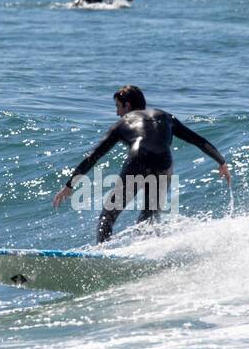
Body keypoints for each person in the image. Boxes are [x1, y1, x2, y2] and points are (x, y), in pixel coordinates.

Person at [52, 86, 230, 243]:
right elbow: (198, 140)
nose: (117, 113)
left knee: (108, 216)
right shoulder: (165, 116)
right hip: (163, 163)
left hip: (138, 160)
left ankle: (103, 253)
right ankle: (146, 249)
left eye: (117, 107)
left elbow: (93, 156)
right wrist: (221, 162)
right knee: (149, 217)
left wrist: (70, 185)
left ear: (127, 105)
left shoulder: (123, 122)